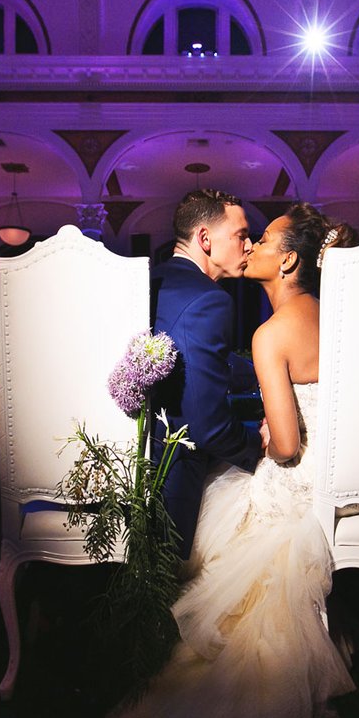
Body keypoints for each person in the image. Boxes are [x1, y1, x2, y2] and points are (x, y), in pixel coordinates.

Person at [109, 203, 359, 718]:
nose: (250, 249)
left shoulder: (270, 332)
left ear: (289, 259)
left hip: (297, 475)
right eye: (246, 237)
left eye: (262, 241)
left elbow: (289, 446)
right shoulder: (336, 320)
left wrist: (270, 437)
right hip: (340, 476)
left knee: (224, 547)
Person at [150, 189, 265, 558]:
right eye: (240, 235)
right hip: (174, 479)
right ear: (204, 239)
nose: (249, 245)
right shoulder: (210, 299)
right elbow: (209, 424)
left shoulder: (154, 282)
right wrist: (257, 445)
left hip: (136, 467)